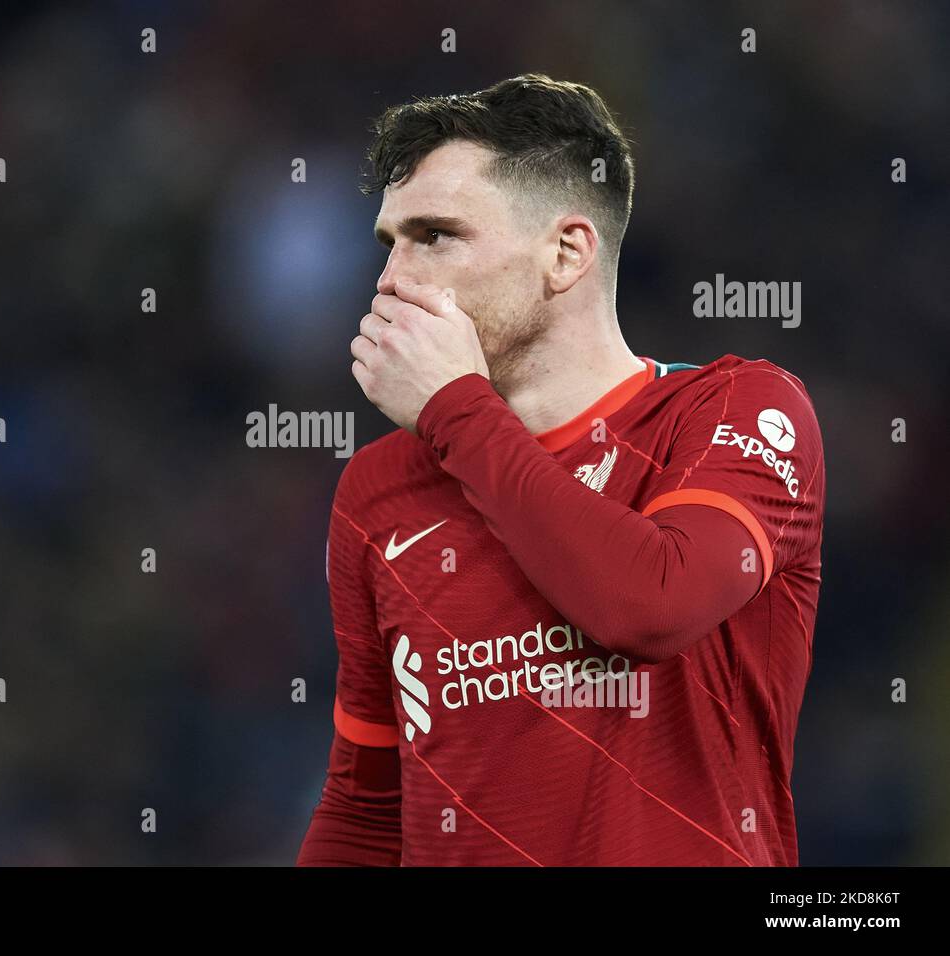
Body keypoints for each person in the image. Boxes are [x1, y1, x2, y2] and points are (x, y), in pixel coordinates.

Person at [296, 74, 824, 866]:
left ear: (567, 254)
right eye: (389, 242)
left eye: (434, 236)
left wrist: (454, 411)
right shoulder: (379, 491)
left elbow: (652, 605)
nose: (390, 281)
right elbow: (368, 808)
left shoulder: (736, 411)